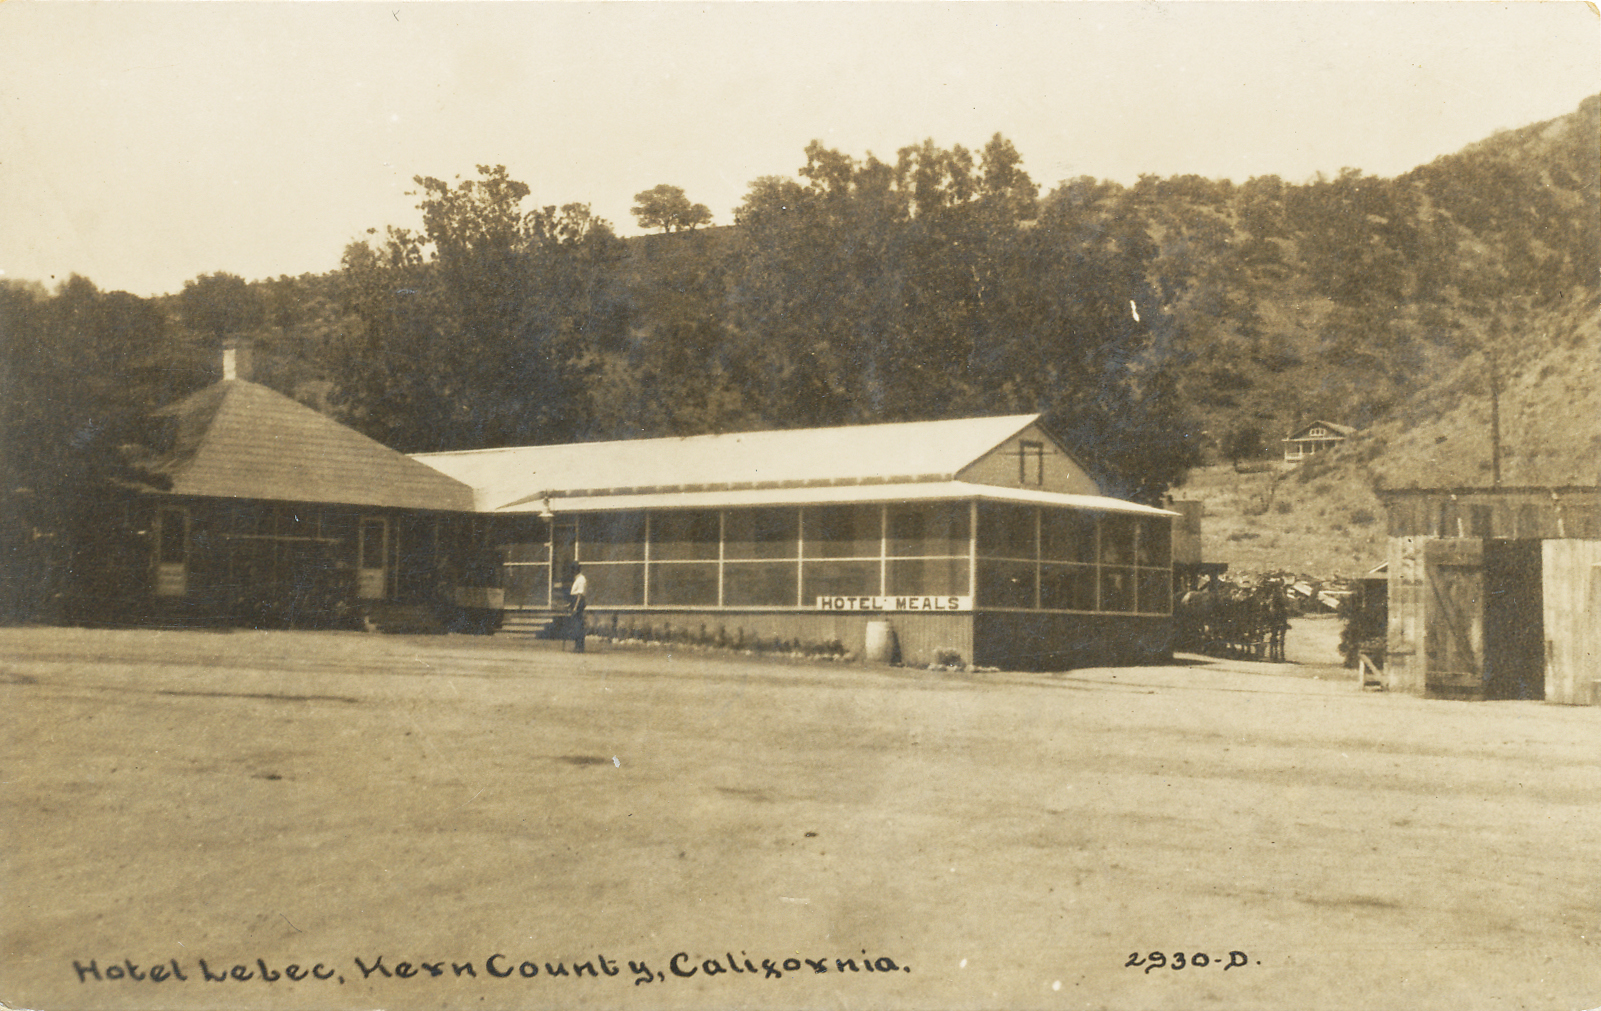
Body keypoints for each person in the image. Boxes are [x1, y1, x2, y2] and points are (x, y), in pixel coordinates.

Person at [566, 564, 588, 653]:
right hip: (575, 602)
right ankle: (577, 646)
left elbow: (580, 595)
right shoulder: (577, 579)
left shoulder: (581, 579)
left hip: (579, 604)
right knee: (576, 625)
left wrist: (575, 607)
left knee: (578, 625)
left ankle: (580, 646)